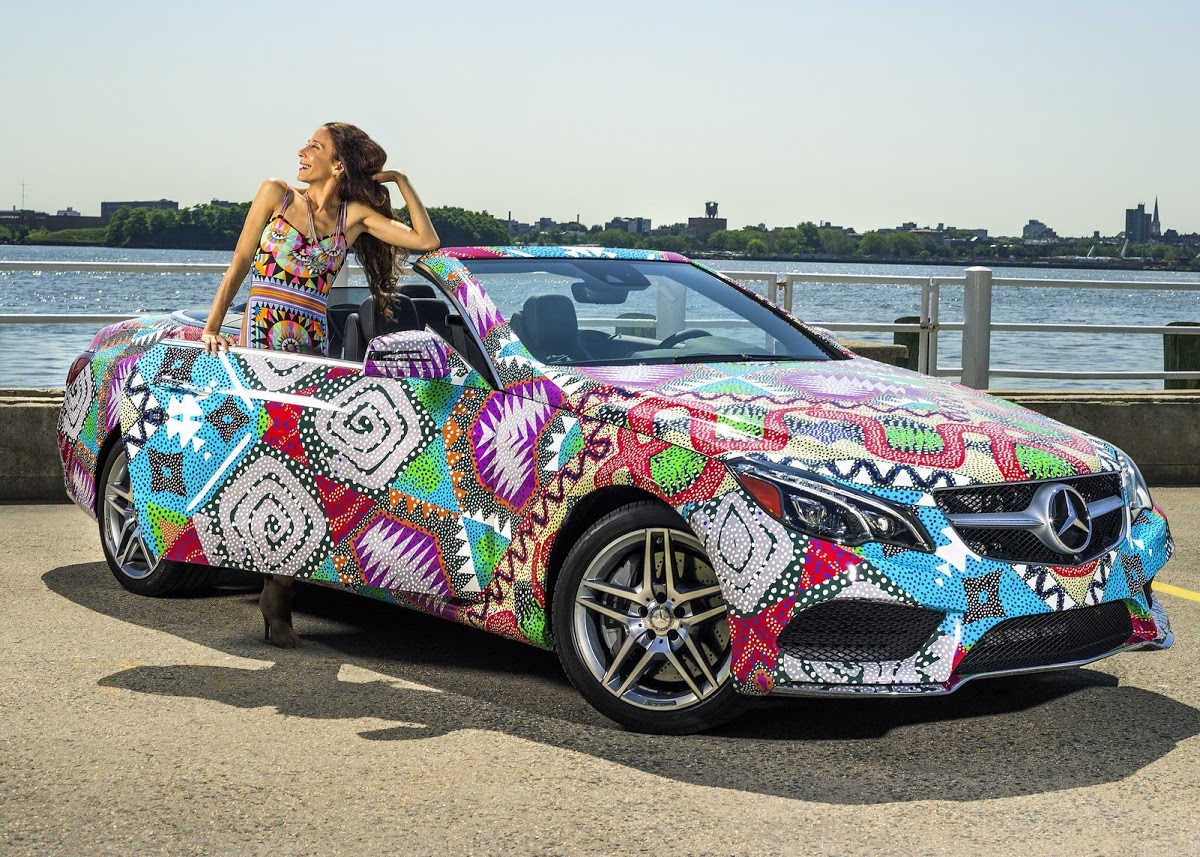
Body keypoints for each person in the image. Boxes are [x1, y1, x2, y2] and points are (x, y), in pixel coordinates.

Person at [200, 123, 440, 647]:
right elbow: (240, 261)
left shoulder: (353, 219)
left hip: (308, 349)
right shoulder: (276, 194)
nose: (300, 152)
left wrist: (399, 179)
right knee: (250, 458)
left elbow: (426, 240)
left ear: (338, 165)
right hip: (258, 338)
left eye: (314, 147)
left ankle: (278, 594)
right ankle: (260, 581)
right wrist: (213, 327)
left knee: (296, 470)